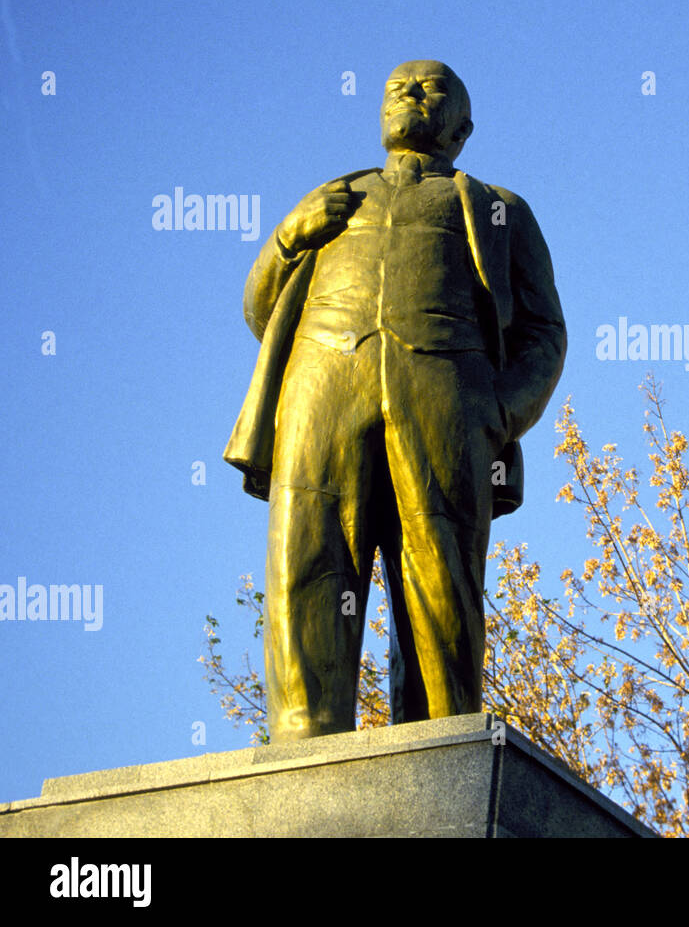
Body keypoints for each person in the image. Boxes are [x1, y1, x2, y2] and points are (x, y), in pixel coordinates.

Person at [224, 60, 566, 741]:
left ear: (462, 128)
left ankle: (438, 738)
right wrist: (290, 235)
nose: (411, 93)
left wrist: (497, 411)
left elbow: (544, 332)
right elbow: (261, 310)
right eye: (397, 87)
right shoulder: (333, 196)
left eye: (433, 87)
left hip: (445, 395)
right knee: (308, 559)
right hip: (323, 386)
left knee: (439, 577)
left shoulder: (497, 207)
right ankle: (304, 735)